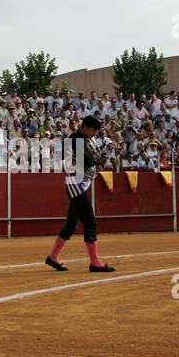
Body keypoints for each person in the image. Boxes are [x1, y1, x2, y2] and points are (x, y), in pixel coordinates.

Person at [45, 114, 115, 272]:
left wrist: (96, 157)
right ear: (85, 127)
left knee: (71, 223)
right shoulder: (76, 139)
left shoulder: (85, 139)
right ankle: (95, 262)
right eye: (94, 130)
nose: (95, 133)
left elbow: (94, 158)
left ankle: (52, 257)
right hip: (76, 182)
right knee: (90, 222)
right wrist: (98, 157)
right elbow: (90, 160)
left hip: (82, 181)